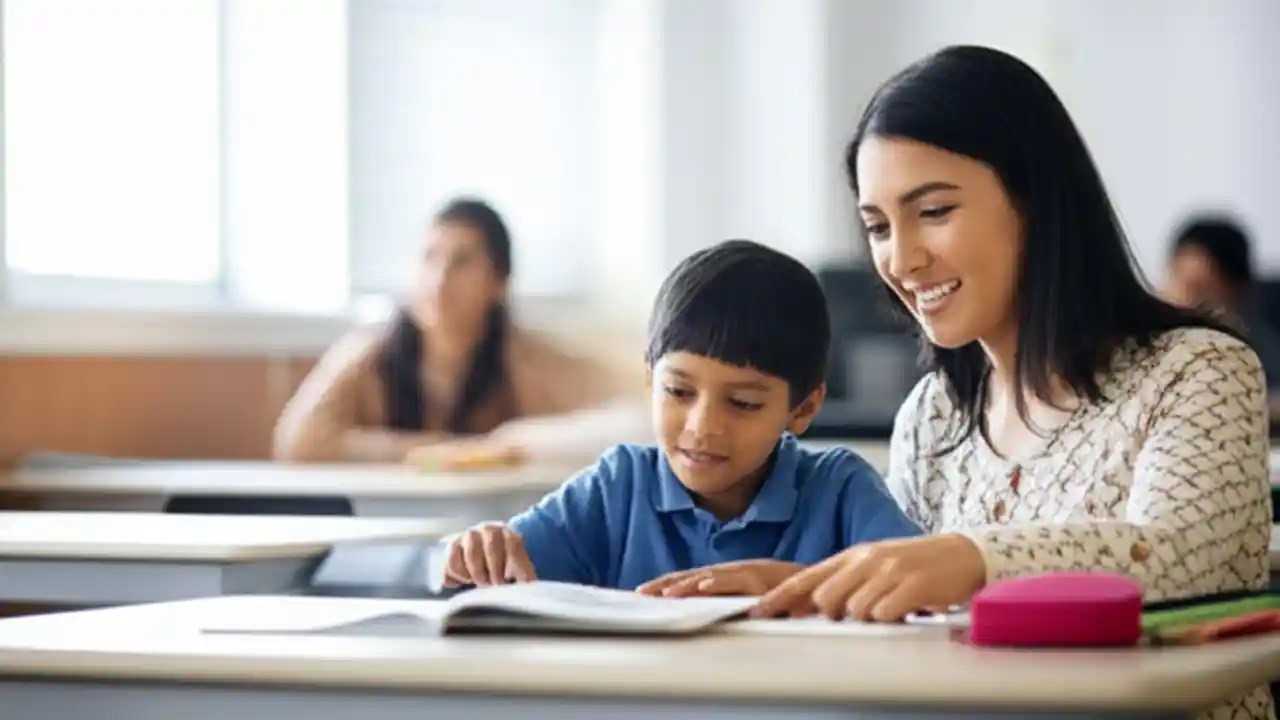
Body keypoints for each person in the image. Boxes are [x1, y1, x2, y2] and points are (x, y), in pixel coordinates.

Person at [694, 47, 1265, 719]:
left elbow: (1178, 557)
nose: (901, 260)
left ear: (1036, 202)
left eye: (933, 211)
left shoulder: (1200, 371)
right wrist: (820, 589)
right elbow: (925, 622)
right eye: (878, 226)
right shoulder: (932, 417)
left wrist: (969, 559)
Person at [441, 240, 921, 591]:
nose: (702, 427)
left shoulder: (839, 490)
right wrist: (473, 553)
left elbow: (923, 593)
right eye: (678, 391)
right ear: (651, 381)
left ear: (804, 408)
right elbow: (483, 573)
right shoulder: (618, 488)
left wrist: (793, 585)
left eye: (744, 403)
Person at [273, 198, 645, 465]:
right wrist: (437, 450)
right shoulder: (367, 352)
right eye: (429, 257)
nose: (439, 280)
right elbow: (297, 442)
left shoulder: (526, 358)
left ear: (499, 280)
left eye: (462, 262)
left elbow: (635, 405)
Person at [1162, 214, 1280, 414]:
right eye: (1176, 280)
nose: (1180, 298)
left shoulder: (1257, 333)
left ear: (1236, 289)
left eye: (1197, 289)